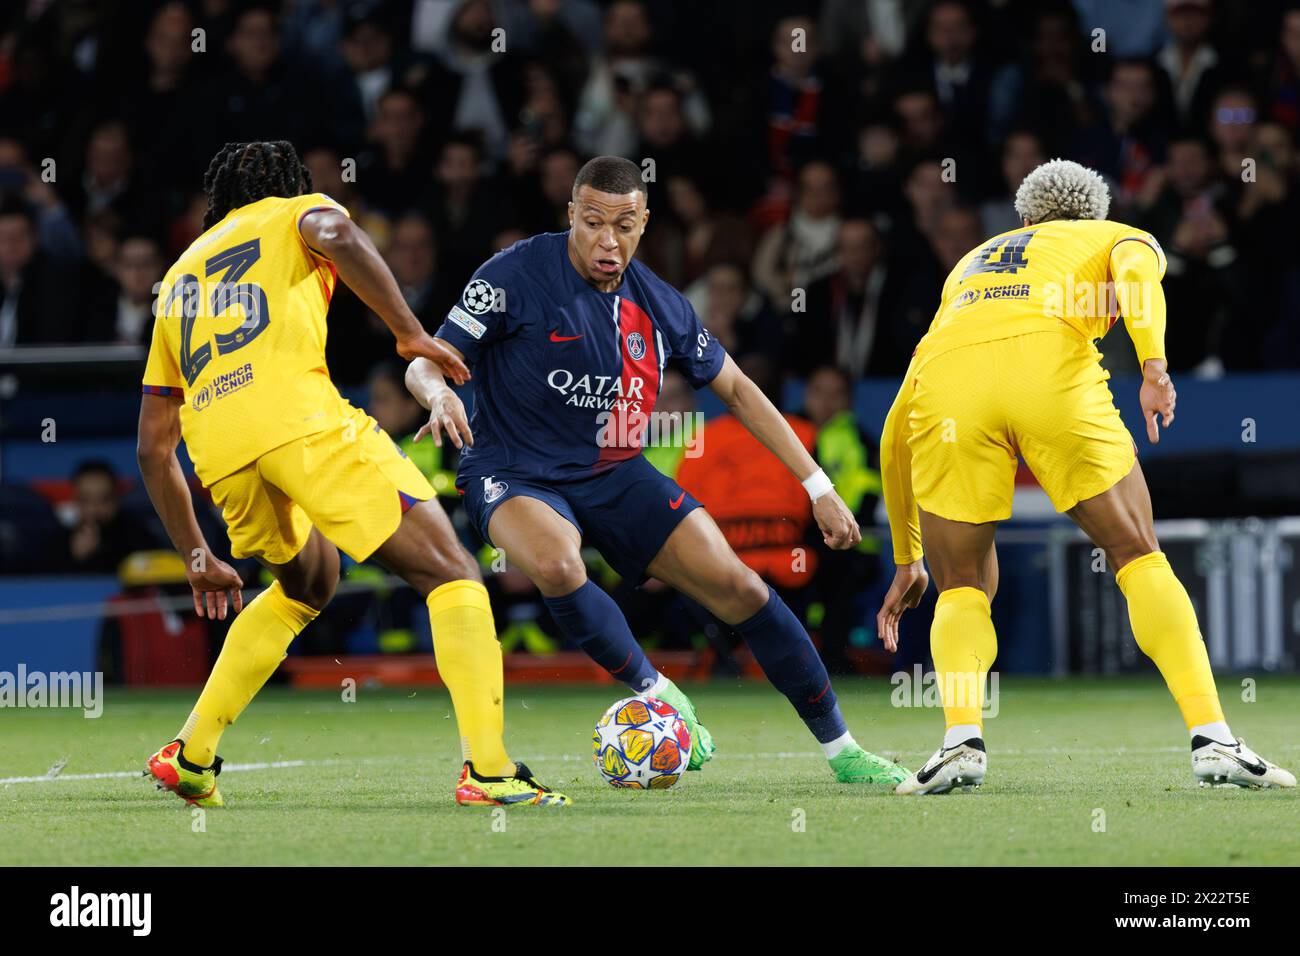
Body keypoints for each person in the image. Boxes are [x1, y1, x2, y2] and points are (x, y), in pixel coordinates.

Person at [406, 155, 908, 784]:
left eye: (623, 225)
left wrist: (818, 486)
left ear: (644, 224)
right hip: (514, 470)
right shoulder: (512, 275)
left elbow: (740, 392)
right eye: (592, 223)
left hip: (617, 472)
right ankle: (659, 691)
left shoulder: (660, 303)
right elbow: (425, 358)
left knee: (743, 589)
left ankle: (845, 752)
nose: (607, 240)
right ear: (571, 217)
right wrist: (439, 392)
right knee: (559, 564)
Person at [137, 141, 567, 808]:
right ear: (288, 184)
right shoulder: (294, 212)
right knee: (453, 573)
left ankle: (191, 754)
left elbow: (151, 448)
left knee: (309, 583)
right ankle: (488, 770)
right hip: (298, 421)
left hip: (220, 452)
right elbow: (336, 232)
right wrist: (407, 332)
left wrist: (197, 553)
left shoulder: (178, 279)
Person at [875, 159, 1295, 794]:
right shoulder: (1116, 235)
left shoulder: (972, 263)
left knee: (960, 584)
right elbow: (1134, 278)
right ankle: (1213, 739)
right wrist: (1153, 364)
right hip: (1052, 382)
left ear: (1024, 222)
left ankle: (959, 742)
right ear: (1094, 216)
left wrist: (908, 556)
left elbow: (895, 424)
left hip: (950, 395)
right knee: (1137, 555)